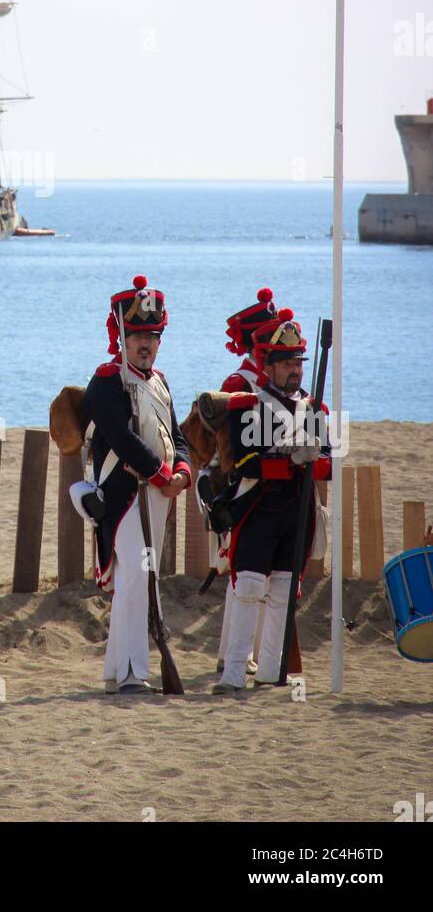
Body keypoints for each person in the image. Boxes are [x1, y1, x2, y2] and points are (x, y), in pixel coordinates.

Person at [81, 275, 192, 694]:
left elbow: (176, 436)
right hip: (125, 495)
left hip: (159, 494)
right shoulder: (107, 380)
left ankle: (117, 672)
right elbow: (121, 437)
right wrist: (160, 473)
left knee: (143, 579)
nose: (145, 343)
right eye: (138, 335)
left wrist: (181, 470)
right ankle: (132, 673)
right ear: (121, 337)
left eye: (152, 335)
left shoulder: (160, 381)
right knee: (133, 580)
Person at [213, 309, 331, 693]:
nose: (294, 369)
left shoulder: (316, 409)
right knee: (247, 590)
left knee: (282, 593)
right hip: (258, 510)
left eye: (298, 361)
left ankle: (270, 671)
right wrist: (290, 458)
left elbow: (329, 467)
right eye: (286, 362)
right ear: (268, 364)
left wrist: (316, 458)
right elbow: (245, 464)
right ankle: (232, 675)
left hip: (296, 514)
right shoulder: (245, 405)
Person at [210, 288, 281, 675]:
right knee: (243, 575)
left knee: (263, 575)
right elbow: (227, 448)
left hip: (273, 490)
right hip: (241, 486)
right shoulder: (239, 382)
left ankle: (242, 654)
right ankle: (232, 656)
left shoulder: (269, 380)